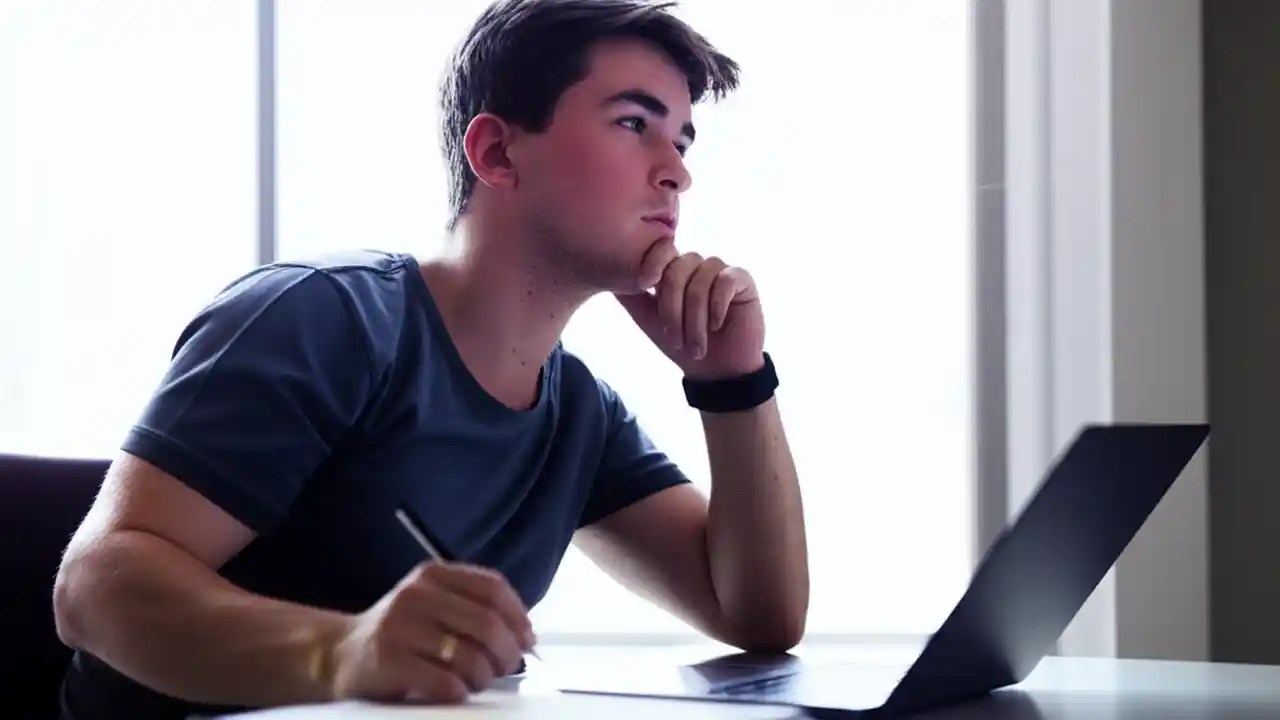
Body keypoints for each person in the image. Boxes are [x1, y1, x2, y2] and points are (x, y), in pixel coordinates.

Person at [52, 0, 809, 717]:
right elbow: (92, 589)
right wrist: (342, 653)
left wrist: (733, 384)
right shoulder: (326, 319)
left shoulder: (579, 410)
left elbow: (757, 617)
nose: (676, 172)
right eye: (634, 122)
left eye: (678, 140)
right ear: (496, 151)